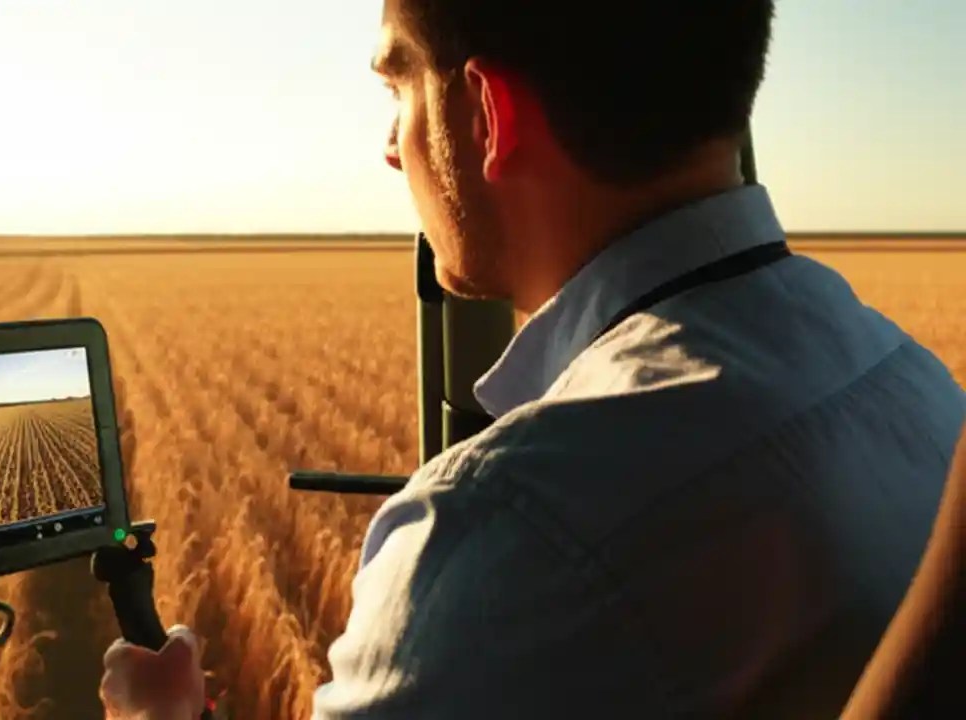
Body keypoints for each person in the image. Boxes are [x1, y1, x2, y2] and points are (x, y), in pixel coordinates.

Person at [100, 0, 966, 717]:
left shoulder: (506, 530)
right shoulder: (911, 382)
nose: (393, 148)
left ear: (488, 116)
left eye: (398, 84)